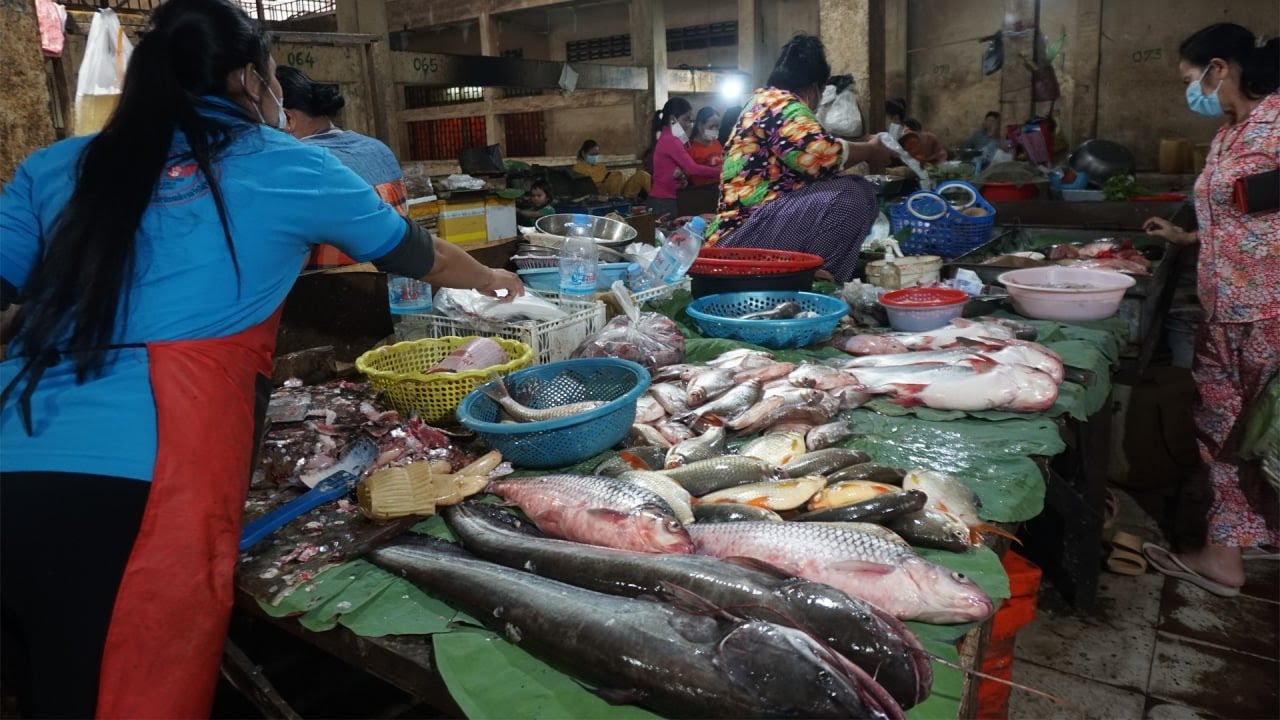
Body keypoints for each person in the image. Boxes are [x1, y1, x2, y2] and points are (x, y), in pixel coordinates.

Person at [0, 1, 522, 717]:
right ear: (249, 77)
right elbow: (415, 253)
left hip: (13, 449)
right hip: (139, 482)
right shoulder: (286, 165)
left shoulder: (52, 167)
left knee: (45, 683)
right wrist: (497, 278)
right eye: (273, 75)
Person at [1140, 22, 1279, 597]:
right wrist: (1187, 238)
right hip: (1222, 311)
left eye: (1192, 78)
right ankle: (1225, 554)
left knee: (1274, 436)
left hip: (1271, 313)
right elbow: (1243, 219)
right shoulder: (1230, 132)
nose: (1191, 91)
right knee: (1221, 430)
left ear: (1220, 67)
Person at [707, 34, 892, 282]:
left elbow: (814, 148)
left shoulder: (763, 102)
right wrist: (871, 149)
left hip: (743, 233)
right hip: (743, 237)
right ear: (815, 87)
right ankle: (814, 282)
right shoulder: (782, 103)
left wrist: (862, 143)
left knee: (846, 188)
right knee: (853, 194)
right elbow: (823, 156)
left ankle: (806, 274)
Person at [277, 65, 407, 267]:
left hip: (334, 289)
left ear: (288, 119)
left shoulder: (299, 162)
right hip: (393, 285)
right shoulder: (379, 149)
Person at [647, 97, 722, 219]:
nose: (688, 125)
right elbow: (693, 168)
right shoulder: (670, 140)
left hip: (666, 198)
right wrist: (721, 171)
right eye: (686, 119)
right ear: (673, 119)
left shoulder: (670, 138)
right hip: (665, 201)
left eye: (690, 120)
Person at [571, 139, 649, 198]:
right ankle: (618, 200)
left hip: (620, 192)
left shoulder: (600, 166)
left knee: (642, 175)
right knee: (615, 176)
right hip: (602, 195)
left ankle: (658, 197)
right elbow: (590, 185)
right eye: (592, 154)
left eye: (597, 154)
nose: (595, 157)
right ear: (583, 154)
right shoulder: (578, 168)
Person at [687, 106, 724, 185]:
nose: (714, 130)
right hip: (702, 192)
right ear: (700, 126)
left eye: (717, 127)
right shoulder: (690, 148)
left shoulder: (716, 143)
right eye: (711, 127)